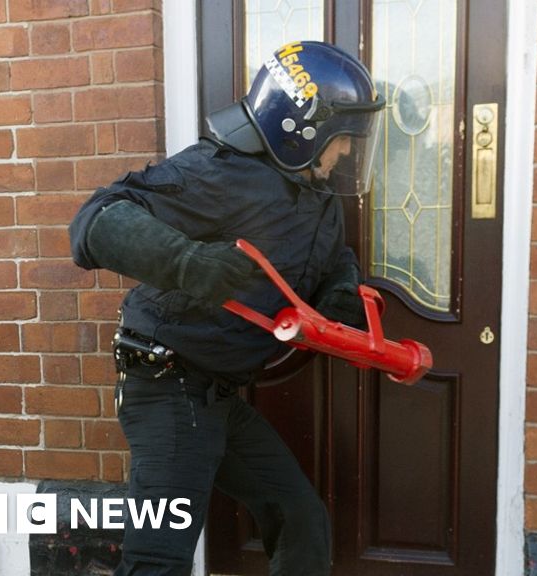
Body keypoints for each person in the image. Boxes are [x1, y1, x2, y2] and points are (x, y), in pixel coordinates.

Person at [68, 40, 385, 576]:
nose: (349, 155)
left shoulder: (318, 195)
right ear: (304, 130)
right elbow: (94, 220)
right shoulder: (219, 173)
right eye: (344, 141)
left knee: (300, 519)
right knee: (157, 562)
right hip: (166, 385)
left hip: (216, 395)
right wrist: (188, 262)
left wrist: (341, 291)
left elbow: (335, 258)